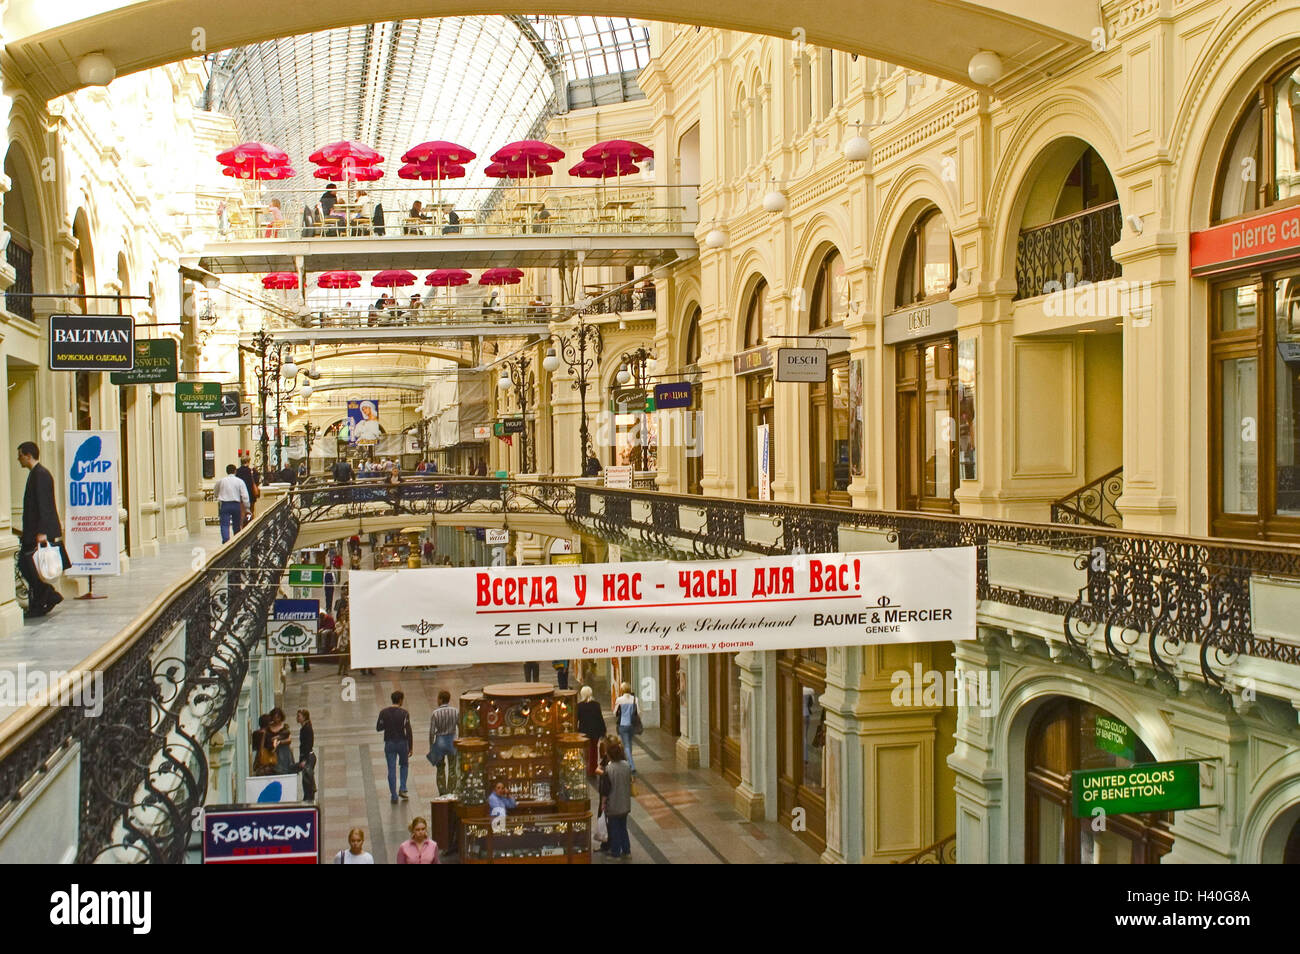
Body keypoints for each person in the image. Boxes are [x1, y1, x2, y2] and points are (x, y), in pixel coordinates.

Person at [17, 441, 69, 618]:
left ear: (28, 455)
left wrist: (42, 532)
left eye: (20, 455)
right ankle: (45, 597)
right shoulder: (38, 474)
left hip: (38, 532)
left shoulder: (40, 475)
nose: (18, 459)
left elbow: (44, 505)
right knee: (30, 567)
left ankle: (47, 596)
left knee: (29, 566)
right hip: (34, 531)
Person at [376, 690, 414, 804]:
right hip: (402, 742)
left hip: (389, 743)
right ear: (401, 700)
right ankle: (402, 788)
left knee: (391, 769)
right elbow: (408, 730)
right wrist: (410, 746)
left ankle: (393, 795)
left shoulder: (383, 712)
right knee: (404, 765)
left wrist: (387, 725)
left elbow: (378, 727)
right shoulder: (404, 713)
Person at [601, 739, 633, 859]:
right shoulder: (626, 765)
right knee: (623, 828)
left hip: (613, 804)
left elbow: (606, 789)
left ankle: (616, 853)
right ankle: (627, 850)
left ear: (610, 755)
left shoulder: (609, 769)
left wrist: (603, 803)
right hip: (625, 803)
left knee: (614, 829)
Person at [427, 690, 458, 790]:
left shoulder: (435, 713)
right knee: (452, 768)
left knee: (440, 768)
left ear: (440, 699)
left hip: (440, 741)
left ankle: (442, 791)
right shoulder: (455, 711)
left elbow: (432, 732)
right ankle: (451, 790)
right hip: (452, 740)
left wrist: (431, 745)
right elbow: (460, 726)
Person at [215, 463, 249, 544]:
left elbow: (216, 490)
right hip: (235, 504)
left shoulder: (221, 481)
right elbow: (245, 495)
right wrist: (247, 506)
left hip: (225, 505)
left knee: (224, 524)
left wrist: (217, 496)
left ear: (226, 471)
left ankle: (226, 541)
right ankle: (236, 540)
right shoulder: (239, 481)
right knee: (236, 524)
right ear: (235, 471)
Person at [576, 685, 606, 775]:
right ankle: (593, 767)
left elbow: (577, 719)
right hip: (595, 731)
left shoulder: (579, 706)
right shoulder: (596, 705)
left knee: (586, 751)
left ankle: (588, 768)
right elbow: (600, 718)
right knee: (594, 750)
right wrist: (603, 731)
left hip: (584, 732)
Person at [614, 682, 639, 773]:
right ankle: (629, 762)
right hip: (632, 725)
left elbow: (615, 712)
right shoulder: (635, 699)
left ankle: (631, 766)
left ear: (622, 690)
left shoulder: (619, 700)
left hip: (623, 724)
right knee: (629, 743)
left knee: (626, 745)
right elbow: (639, 712)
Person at [267, 707, 295, 775]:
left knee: (285, 770)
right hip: (273, 753)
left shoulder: (284, 727)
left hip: (284, 751)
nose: (276, 719)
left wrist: (279, 742)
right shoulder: (269, 727)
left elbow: (289, 739)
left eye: (278, 717)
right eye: (274, 717)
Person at [297, 709, 317, 801]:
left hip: (308, 757)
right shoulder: (304, 727)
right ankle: (308, 796)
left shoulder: (307, 728)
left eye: (299, 716)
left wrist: (304, 759)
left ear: (304, 717)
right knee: (307, 778)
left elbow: (308, 744)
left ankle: (309, 797)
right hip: (307, 756)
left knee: (307, 778)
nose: (297, 718)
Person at [235, 455, 260, 523]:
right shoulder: (252, 471)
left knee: (242, 511)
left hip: (240, 494)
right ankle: (249, 522)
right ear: (248, 462)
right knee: (250, 510)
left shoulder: (237, 471)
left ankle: (242, 523)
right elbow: (257, 481)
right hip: (250, 494)